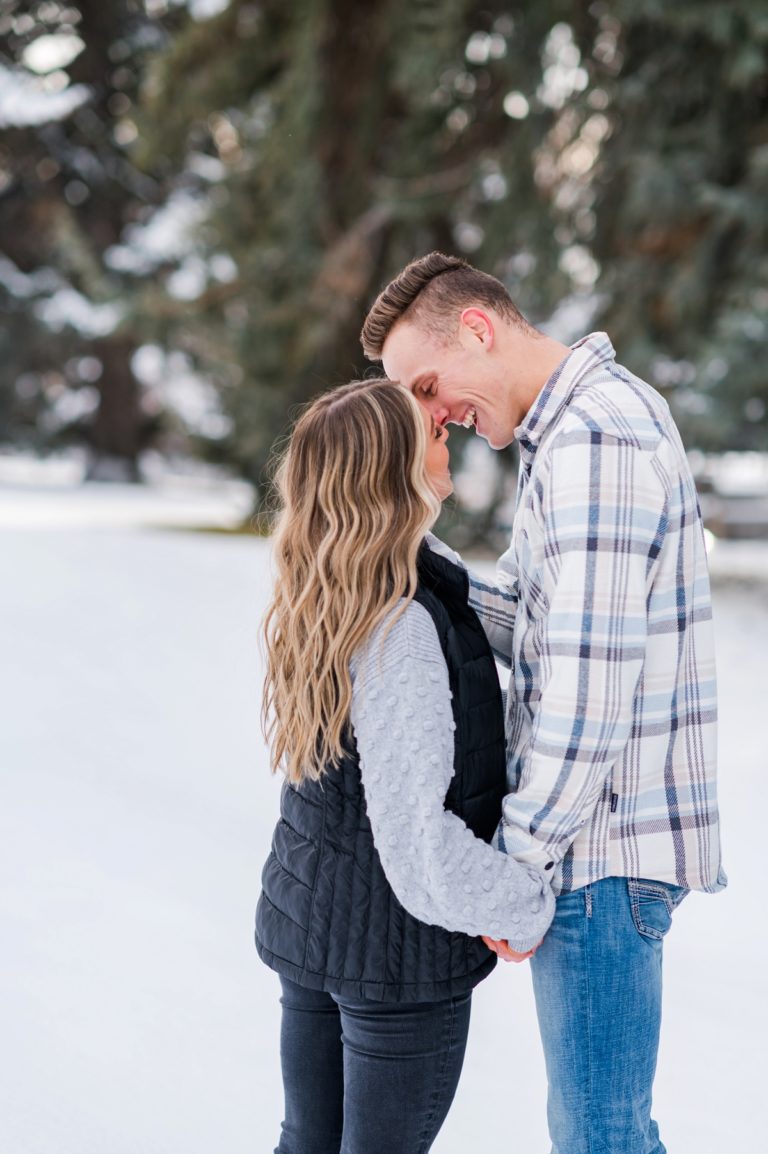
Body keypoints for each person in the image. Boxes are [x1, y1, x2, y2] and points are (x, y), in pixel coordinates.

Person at [361, 253, 726, 1154]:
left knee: (600, 1136)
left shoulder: (596, 440)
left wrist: (516, 871)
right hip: (591, 844)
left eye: (428, 383)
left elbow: (586, 688)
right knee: (600, 1129)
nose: (431, 415)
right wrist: (411, 562)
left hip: (594, 851)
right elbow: (534, 620)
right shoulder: (574, 436)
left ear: (479, 328)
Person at [254, 378, 555, 1154]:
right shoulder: (399, 630)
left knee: (305, 1143)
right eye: (428, 431)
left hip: (317, 930)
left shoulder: (339, 588)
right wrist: (521, 907)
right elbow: (421, 846)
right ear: (389, 468)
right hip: (392, 961)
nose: (447, 434)